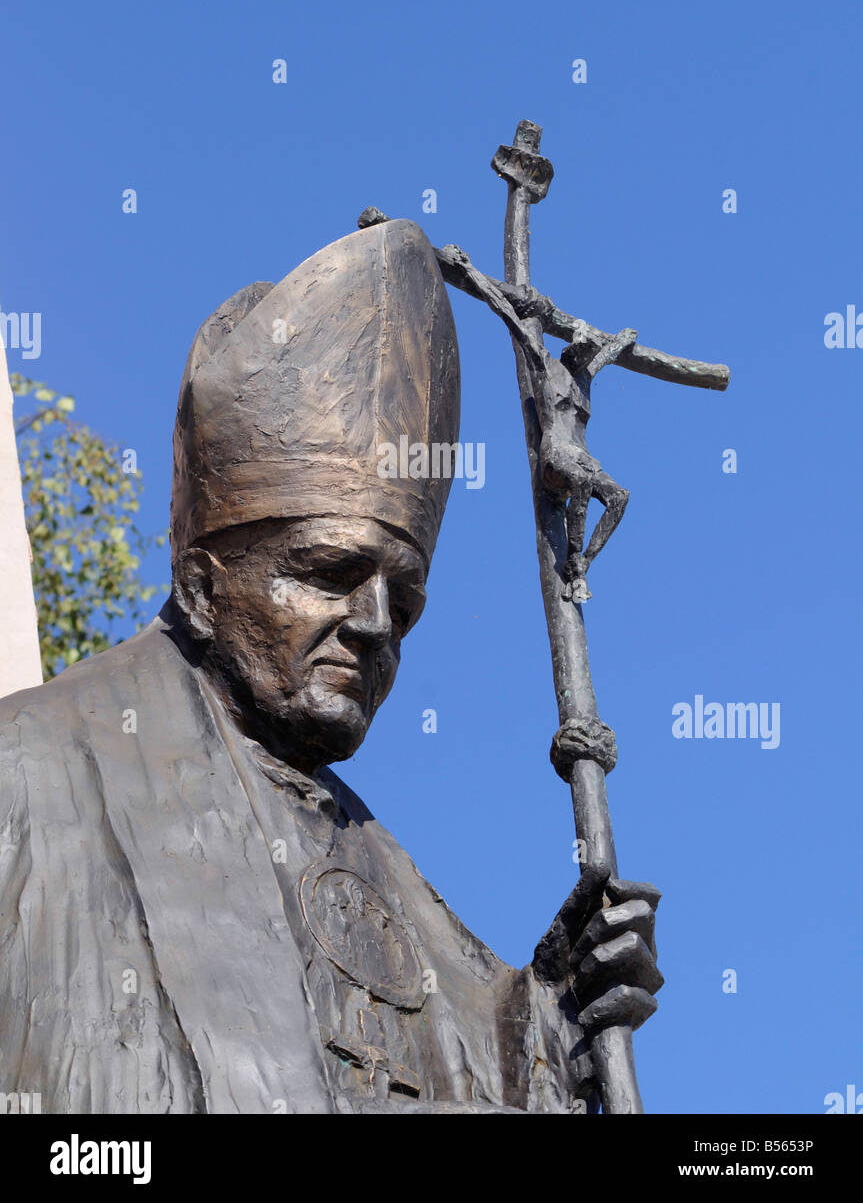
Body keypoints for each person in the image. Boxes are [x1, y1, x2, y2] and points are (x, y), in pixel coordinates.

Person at [0, 219, 660, 1113]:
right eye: (329, 575)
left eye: (406, 599)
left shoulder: (386, 872)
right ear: (202, 584)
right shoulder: (34, 768)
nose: (376, 625)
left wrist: (557, 1021)